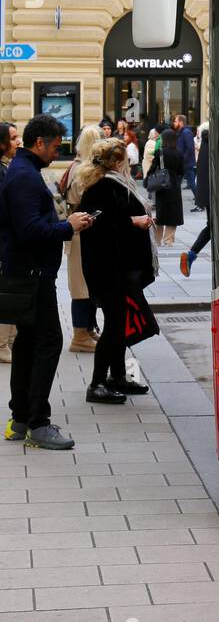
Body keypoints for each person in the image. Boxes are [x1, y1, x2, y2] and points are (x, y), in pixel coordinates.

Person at [0, 115, 94, 449]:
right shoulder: (25, 177)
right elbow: (30, 231)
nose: (58, 152)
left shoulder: (23, 171)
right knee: (49, 341)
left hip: (30, 274)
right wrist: (68, 226)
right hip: (33, 277)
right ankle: (38, 422)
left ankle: (20, 418)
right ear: (39, 142)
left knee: (27, 343)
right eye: (55, 146)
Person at [78, 139, 156, 404]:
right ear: (116, 162)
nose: (130, 164)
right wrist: (133, 221)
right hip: (108, 269)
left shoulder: (114, 183)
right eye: (126, 160)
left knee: (119, 323)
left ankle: (118, 376)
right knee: (114, 324)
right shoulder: (102, 187)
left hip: (119, 267)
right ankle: (97, 383)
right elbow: (98, 225)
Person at [63, 124, 104, 354]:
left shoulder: (77, 167)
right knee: (81, 288)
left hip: (81, 233)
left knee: (87, 286)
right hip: (81, 233)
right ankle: (80, 334)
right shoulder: (83, 170)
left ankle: (87, 329)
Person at [0, 121, 22, 365]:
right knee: (5, 291)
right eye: (14, 137)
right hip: (3, 241)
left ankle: (10, 340)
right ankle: (1, 344)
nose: (18, 141)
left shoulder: (6, 167)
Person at [181, 124, 210, 277]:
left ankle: (191, 255)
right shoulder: (213, 140)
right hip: (214, 193)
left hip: (207, 192)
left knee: (212, 227)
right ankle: (190, 255)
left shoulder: (206, 141)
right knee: (214, 227)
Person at [152, 126, 184, 245]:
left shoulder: (159, 152)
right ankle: (168, 240)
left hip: (162, 184)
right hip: (174, 185)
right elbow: (181, 171)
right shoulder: (179, 153)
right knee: (173, 213)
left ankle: (157, 240)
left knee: (161, 212)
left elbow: (153, 168)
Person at [173, 114, 197, 201]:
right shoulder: (182, 132)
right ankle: (175, 199)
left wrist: (182, 159)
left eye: (175, 121)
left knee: (191, 182)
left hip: (186, 163)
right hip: (183, 163)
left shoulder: (186, 132)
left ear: (181, 122)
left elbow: (190, 148)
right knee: (177, 182)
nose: (174, 123)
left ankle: (199, 200)